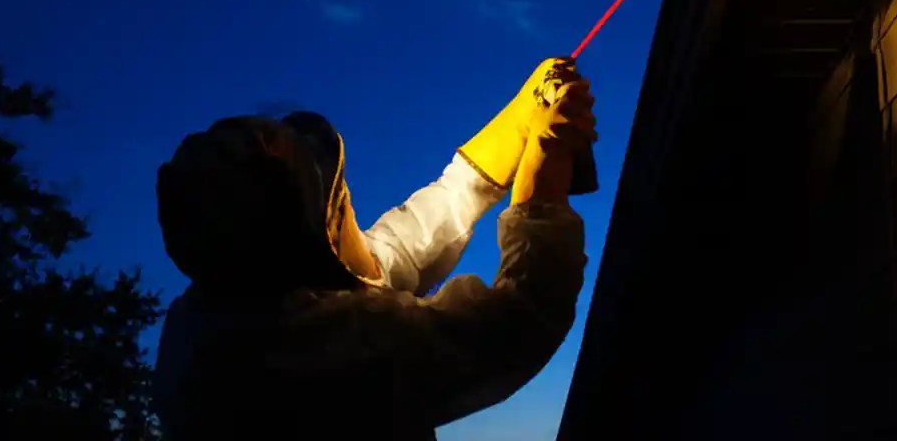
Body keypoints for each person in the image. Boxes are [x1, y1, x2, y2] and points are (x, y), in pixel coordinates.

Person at [152, 58, 595, 439]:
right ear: (304, 239)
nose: (345, 207)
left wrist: (515, 127)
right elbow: (517, 322)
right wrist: (545, 175)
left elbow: (393, 254)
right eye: (334, 199)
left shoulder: (224, 303)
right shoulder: (311, 353)